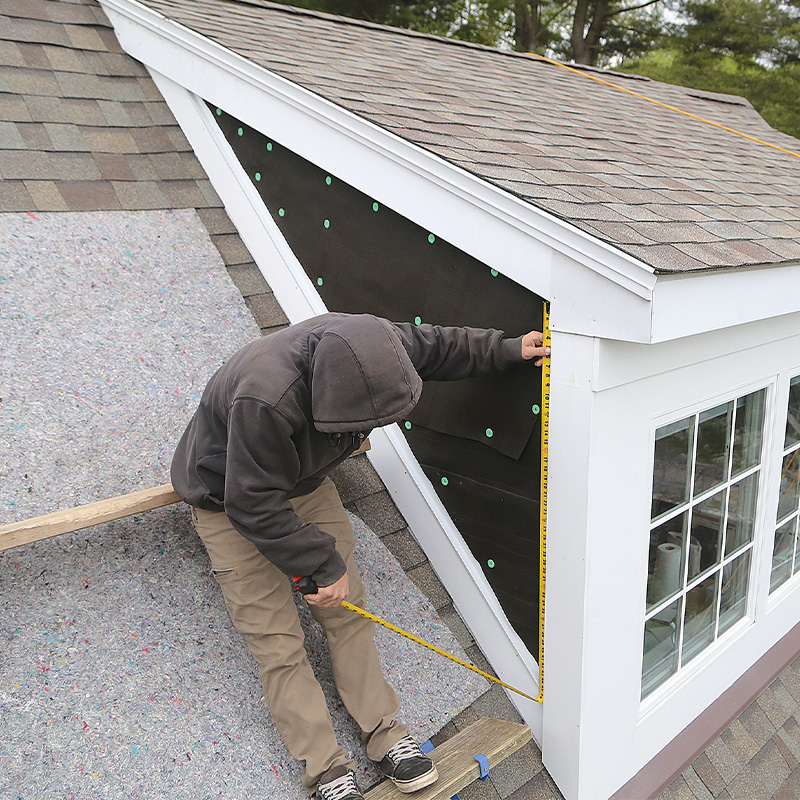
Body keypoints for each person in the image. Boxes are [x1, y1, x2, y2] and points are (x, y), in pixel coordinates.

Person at [171, 312, 549, 800]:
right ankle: (326, 770)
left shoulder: (371, 343)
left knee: (349, 615)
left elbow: (435, 346)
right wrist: (320, 566)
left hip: (300, 484)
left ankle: (387, 736)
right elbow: (252, 502)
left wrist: (506, 348)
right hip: (227, 498)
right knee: (279, 645)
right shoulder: (265, 397)